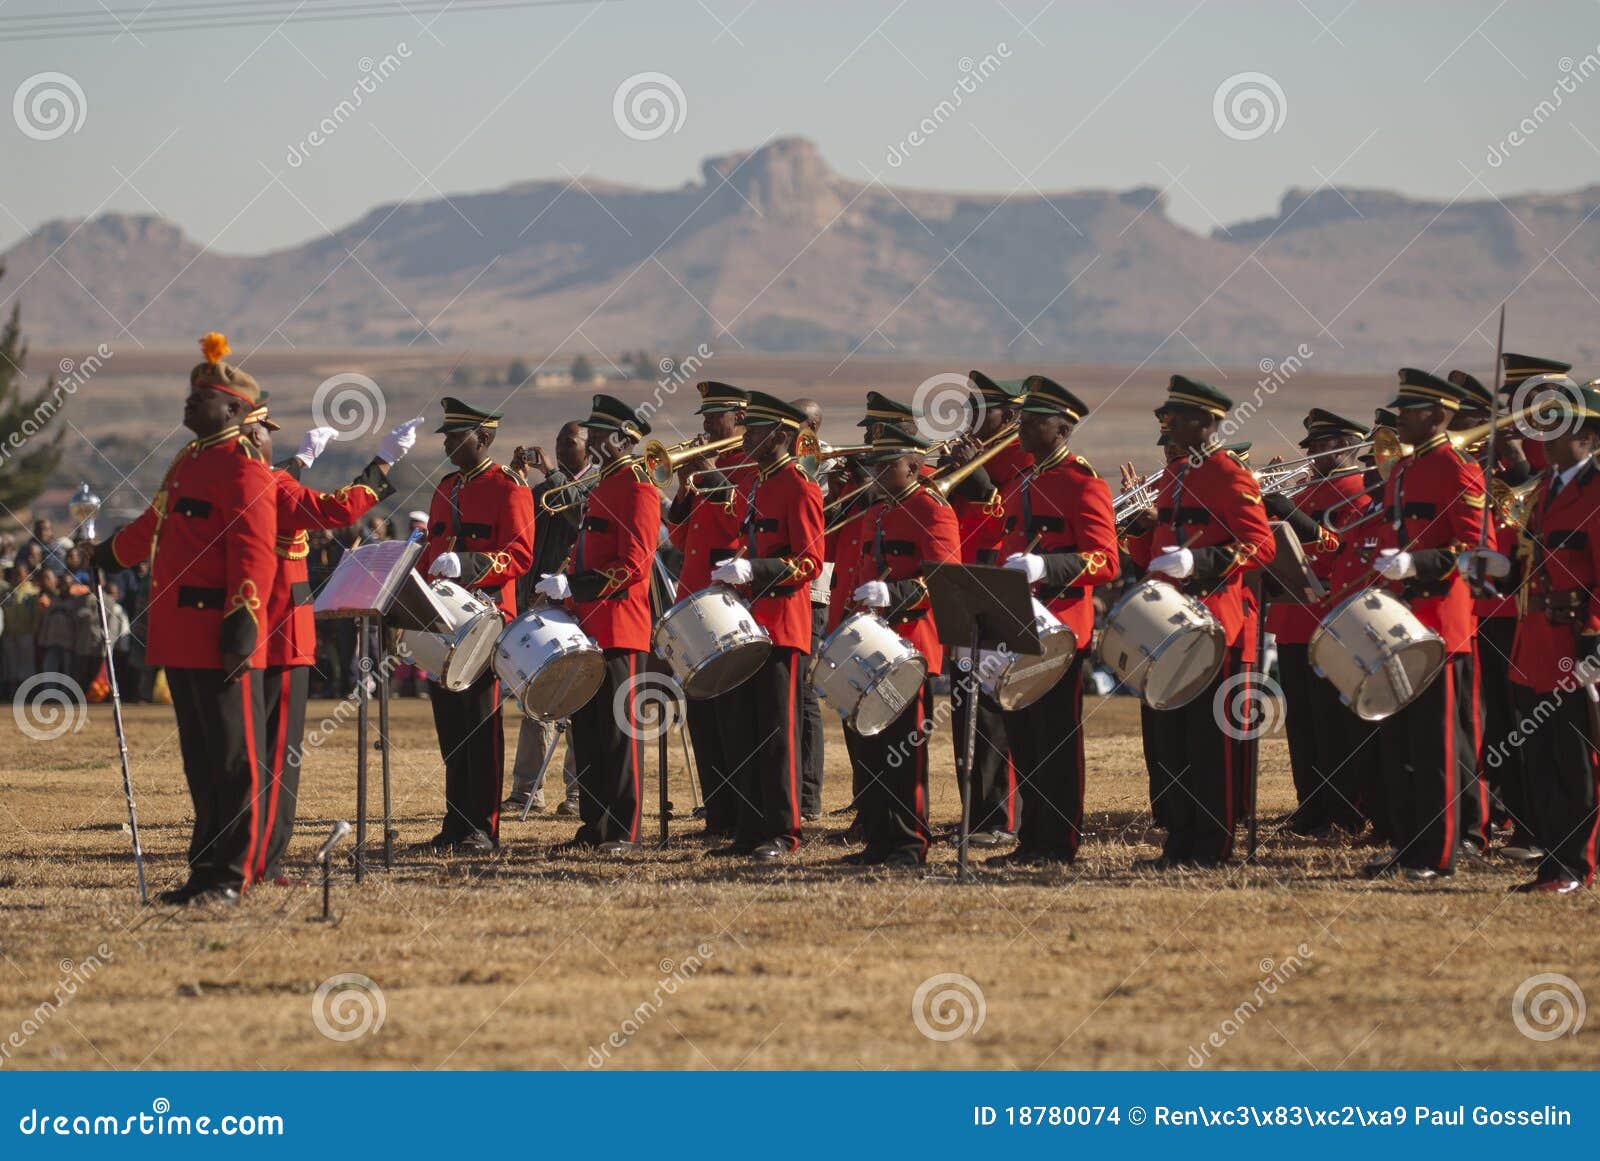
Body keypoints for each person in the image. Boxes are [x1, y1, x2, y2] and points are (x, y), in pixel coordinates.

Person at [91, 332, 278, 907]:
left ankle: (232, 875)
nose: (190, 402)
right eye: (191, 394)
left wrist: (243, 621)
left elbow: (254, 551)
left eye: (203, 396)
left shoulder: (244, 468)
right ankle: (204, 867)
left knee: (234, 759)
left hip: (222, 633)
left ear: (234, 409)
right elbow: (154, 526)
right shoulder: (189, 461)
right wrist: (107, 554)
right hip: (181, 635)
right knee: (200, 760)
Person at [240, 403, 415, 883]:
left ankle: (249, 853)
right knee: (278, 756)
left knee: (254, 752)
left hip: (257, 636)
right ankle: (264, 860)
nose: (268, 441)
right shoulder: (270, 486)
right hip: (281, 638)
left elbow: (285, 489)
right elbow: (332, 509)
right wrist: (382, 463)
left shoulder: (248, 484)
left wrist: (299, 463)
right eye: (261, 433)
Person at [1124, 375, 1276, 870]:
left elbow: (1261, 546)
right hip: (1173, 623)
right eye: (1169, 416)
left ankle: (1213, 846)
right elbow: (1161, 549)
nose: (1169, 423)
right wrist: (1141, 535)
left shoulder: (1230, 474)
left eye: (1181, 417)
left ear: (1209, 424)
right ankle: (1181, 841)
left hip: (1216, 621)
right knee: (1174, 741)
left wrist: (1201, 563)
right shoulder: (1175, 475)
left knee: (1211, 745)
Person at [1363, 370, 1486, 883]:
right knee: (1403, 744)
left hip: (1439, 620)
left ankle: (1438, 854)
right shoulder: (1404, 471)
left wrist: (1417, 565)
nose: (1400, 419)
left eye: (1410, 412)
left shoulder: (1457, 468)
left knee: (1435, 746)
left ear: (1437, 415)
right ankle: (1410, 844)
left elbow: (1473, 545)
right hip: (1401, 622)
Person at [990, 374, 1118, 866]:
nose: (1021, 427)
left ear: (1061, 429)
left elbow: (1106, 560)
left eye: (1034, 420)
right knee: (1024, 737)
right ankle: (1031, 839)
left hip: (1062, 627)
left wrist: (1049, 566)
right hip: (1022, 623)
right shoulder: (1023, 480)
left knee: (1057, 741)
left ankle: (1058, 842)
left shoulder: (1084, 484)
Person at [535, 395, 659, 855]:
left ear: (625, 439)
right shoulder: (603, 487)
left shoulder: (638, 488)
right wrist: (563, 583)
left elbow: (633, 566)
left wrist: (573, 587)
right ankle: (595, 826)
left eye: (603, 434)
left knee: (618, 737)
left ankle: (623, 831)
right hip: (588, 629)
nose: (593, 442)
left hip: (620, 627)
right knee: (588, 735)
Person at [706, 391, 824, 861]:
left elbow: (810, 560)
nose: (746, 436)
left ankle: (783, 831)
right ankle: (750, 828)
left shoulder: (800, 486)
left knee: (777, 734)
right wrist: (736, 566)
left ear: (780, 435)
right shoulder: (757, 484)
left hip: (781, 626)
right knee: (744, 732)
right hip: (748, 625)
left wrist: (757, 570)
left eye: (754, 431)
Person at [415, 397, 535, 853]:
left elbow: (519, 555)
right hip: (445, 622)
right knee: (451, 727)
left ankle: (482, 827)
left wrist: (465, 564)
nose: (446, 442)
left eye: (454, 435)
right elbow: (432, 553)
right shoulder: (446, 487)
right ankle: (455, 822)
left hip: (486, 621)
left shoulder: (510, 488)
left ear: (484, 438)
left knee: (480, 728)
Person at [836, 425, 960, 867]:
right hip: (871, 643)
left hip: (910, 642)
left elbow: (946, 579)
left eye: (886, 463)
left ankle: (909, 842)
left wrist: (895, 594)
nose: (875, 471)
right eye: (874, 463)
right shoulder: (879, 511)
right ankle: (879, 839)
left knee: (903, 751)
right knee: (870, 746)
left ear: (913, 464)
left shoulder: (932, 509)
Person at [1504, 382, 1600, 893]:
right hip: (1535, 645)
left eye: (1559, 431)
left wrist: (1594, 644)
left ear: (1586, 437)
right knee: (1539, 760)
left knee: (1576, 763)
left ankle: (1574, 867)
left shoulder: (1596, 491)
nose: (1544, 439)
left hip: (1573, 644)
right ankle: (1551, 862)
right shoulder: (1548, 489)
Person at [1263, 409, 1371, 836]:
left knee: (1334, 726)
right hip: (1293, 619)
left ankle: (1345, 808)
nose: (1312, 457)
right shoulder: (1308, 490)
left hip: (1331, 620)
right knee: (1303, 725)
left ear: (1347, 446)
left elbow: (1340, 549)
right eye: (1311, 448)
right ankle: (1311, 806)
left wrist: (1287, 511)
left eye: (1323, 447)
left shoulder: (1358, 491)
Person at [942, 371, 1033, 846]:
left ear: (1011, 416)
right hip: (963, 586)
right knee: (966, 711)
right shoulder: (971, 457)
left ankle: (998, 817)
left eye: (985, 411)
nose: (974, 420)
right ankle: (972, 812)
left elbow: (1004, 519)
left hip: (1000, 587)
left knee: (995, 711)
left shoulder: (1022, 459)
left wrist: (975, 474)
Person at [662, 384, 748, 836]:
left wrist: (712, 474)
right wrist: (683, 487)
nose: (707, 426)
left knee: (733, 717)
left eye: (716, 418)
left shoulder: (748, 466)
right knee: (703, 715)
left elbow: (741, 524)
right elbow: (680, 539)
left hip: (726, 604)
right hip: (691, 598)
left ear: (738, 418)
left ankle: (739, 814)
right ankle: (718, 815)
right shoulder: (704, 472)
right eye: (706, 418)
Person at [504, 420, 591, 815]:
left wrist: (552, 473)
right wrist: (516, 480)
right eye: (557, 440)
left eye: (569, 442)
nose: (559, 446)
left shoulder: (598, 483)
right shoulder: (545, 489)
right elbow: (520, 521)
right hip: (538, 603)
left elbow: (581, 514)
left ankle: (577, 793)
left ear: (588, 448)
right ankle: (526, 791)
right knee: (533, 696)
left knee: (577, 699)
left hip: (577, 605)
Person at [793, 396, 829, 821]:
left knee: (804, 692)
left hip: (815, 589)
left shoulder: (823, 463)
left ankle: (809, 794)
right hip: (784, 590)